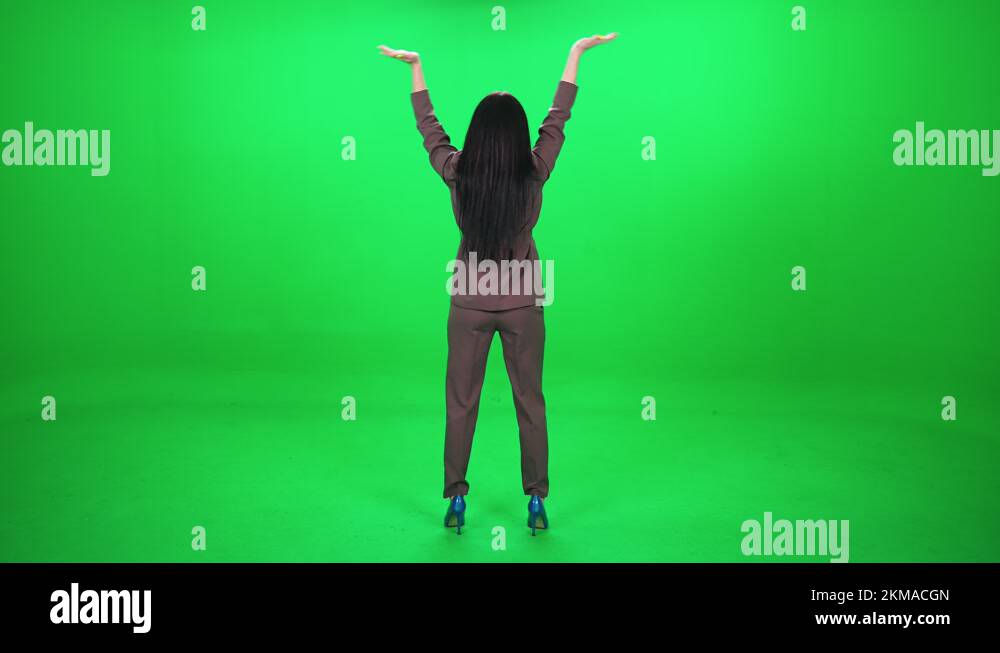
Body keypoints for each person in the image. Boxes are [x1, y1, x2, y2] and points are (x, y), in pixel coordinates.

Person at [378, 33, 617, 536]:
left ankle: (457, 499)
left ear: (480, 135)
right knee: (529, 399)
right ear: (516, 135)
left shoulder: (459, 171)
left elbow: (430, 130)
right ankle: (536, 500)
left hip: (468, 301)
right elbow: (558, 118)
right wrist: (573, 54)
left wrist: (415, 67)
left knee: (460, 401)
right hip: (523, 302)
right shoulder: (535, 171)